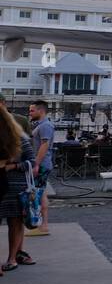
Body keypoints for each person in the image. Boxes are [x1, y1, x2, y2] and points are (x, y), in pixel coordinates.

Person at [0, 99, 36, 272]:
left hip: (15, 187)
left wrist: (13, 166)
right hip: (4, 186)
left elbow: (32, 162)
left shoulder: (19, 137)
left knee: (15, 223)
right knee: (14, 223)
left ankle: (12, 258)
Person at [26, 100, 55, 237]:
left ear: (40, 111)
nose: (29, 113)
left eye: (32, 110)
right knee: (41, 193)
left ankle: (40, 225)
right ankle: (43, 226)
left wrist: (36, 164)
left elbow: (44, 145)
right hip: (42, 164)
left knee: (37, 194)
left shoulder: (45, 126)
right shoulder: (40, 125)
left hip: (42, 165)